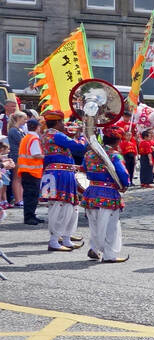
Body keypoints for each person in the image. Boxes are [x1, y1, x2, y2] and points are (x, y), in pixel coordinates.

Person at [38, 109, 85, 252]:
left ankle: (65, 238)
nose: (64, 125)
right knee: (61, 206)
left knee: (68, 206)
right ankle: (55, 240)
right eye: (62, 122)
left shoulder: (47, 134)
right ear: (58, 122)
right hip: (60, 173)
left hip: (54, 172)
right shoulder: (56, 135)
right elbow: (79, 147)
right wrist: (82, 135)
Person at [82, 131, 130, 263]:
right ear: (117, 142)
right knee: (110, 225)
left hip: (91, 191)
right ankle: (109, 254)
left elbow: (84, 168)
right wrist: (125, 184)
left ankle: (94, 247)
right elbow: (122, 173)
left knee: (95, 223)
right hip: (108, 192)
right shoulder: (114, 155)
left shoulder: (89, 153)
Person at [16, 117, 42, 225]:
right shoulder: (34, 138)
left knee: (29, 195)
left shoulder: (26, 137)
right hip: (32, 171)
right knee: (32, 195)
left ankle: (31, 215)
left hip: (26, 169)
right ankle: (29, 217)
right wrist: (46, 157)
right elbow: (36, 154)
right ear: (37, 127)